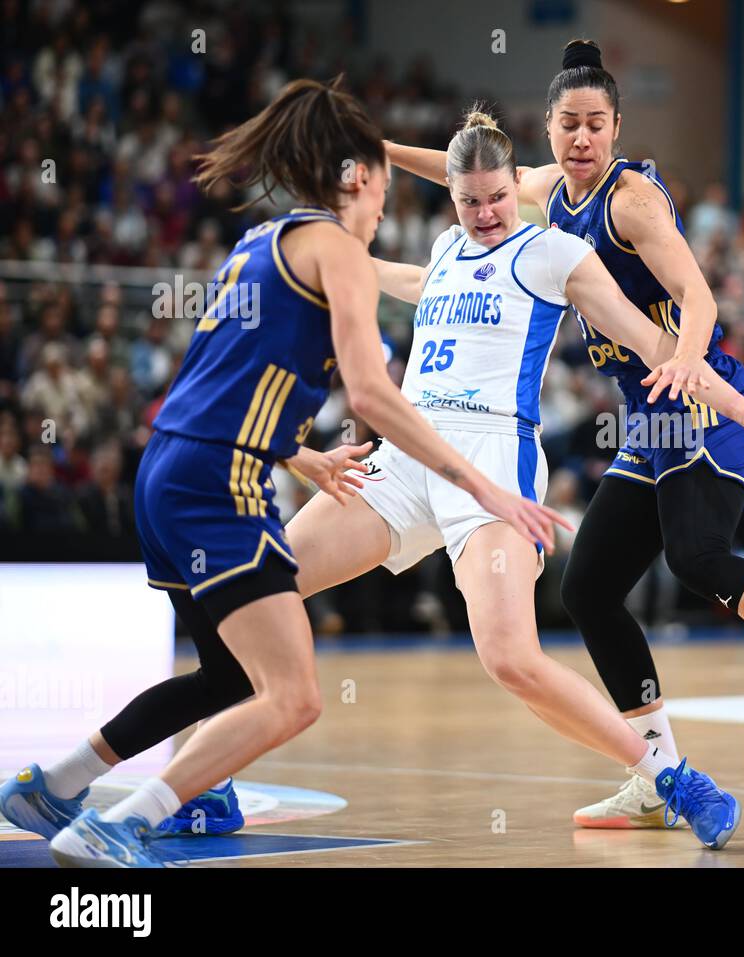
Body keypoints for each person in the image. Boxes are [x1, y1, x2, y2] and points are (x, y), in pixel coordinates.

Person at [1, 78, 568, 867]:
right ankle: (122, 820)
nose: (385, 214)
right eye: (384, 191)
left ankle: (54, 782)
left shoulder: (258, 244)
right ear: (360, 178)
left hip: (165, 471)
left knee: (226, 676)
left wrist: (298, 453)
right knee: (293, 695)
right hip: (217, 489)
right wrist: (478, 482)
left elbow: (216, 377)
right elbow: (371, 392)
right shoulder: (337, 250)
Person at [387, 39, 744, 830]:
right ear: (553, 129)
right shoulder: (544, 193)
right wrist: (381, 150)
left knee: (697, 556)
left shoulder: (629, 200)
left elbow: (697, 297)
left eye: (596, 125)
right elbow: (470, 175)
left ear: (616, 127)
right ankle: (654, 772)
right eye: (568, 124)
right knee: (588, 587)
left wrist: (695, 372)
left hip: (701, 395)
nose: (581, 139)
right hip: (652, 419)